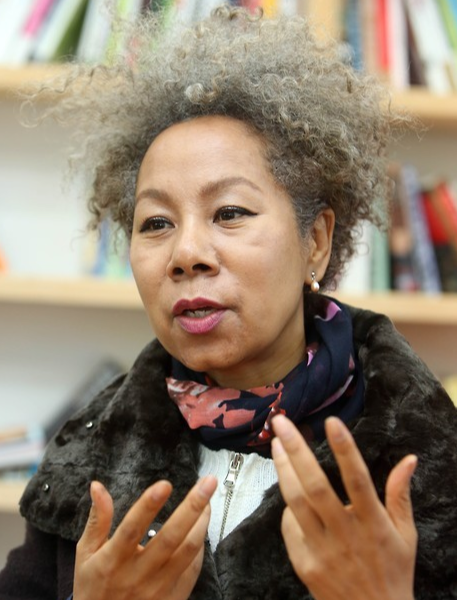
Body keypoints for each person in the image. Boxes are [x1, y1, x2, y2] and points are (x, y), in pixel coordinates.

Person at [1, 5, 456, 600]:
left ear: (316, 242)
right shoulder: (84, 458)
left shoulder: (431, 458)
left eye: (230, 212)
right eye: (156, 222)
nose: (186, 253)